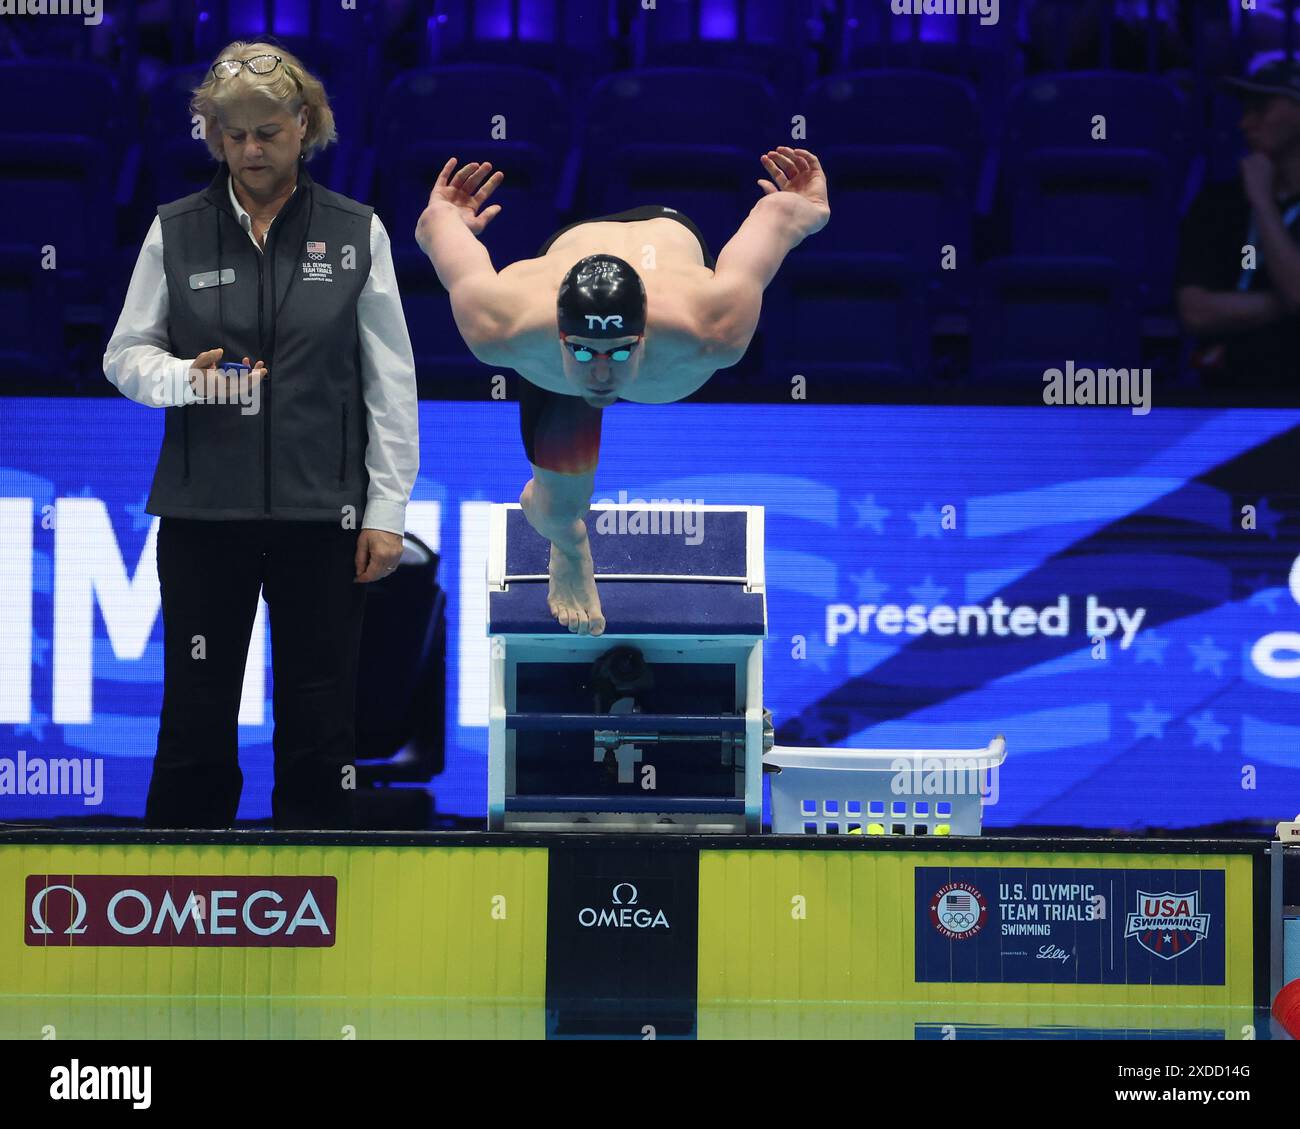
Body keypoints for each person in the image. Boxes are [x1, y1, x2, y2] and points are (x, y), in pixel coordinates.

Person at [102, 41, 419, 829]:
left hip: (325, 520)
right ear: (212, 134)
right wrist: (184, 377)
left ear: (303, 126)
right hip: (204, 516)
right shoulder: (174, 230)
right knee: (195, 715)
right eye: (232, 133)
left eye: (267, 133)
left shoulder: (357, 232)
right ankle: (178, 889)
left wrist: (385, 509)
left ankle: (316, 887)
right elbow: (123, 356)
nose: (250, 150)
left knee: (319, 721)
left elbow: (390, 381)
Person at [416, 146, 830, 635]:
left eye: (618, 351)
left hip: (668, 231)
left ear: (646, 335)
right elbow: (433, 229)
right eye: (585, 352)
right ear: (560, 335)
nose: (601, 374)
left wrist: (805, 207)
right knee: (558, 509)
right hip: (568, 251)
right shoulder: (503, 324)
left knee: (557, 473)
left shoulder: (712, 327)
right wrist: (446, 214)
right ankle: (570, 547)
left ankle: (563, 525)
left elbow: (777, 219)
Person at [1176, 59, 1300, 396]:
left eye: (1261, 108)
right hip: (1225, 396)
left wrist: (1262, 201)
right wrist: (1284, 305)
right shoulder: (1218, 202)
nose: (1246, 122)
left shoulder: (1253, 196)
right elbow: (1195, 312)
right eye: (1245, 109)